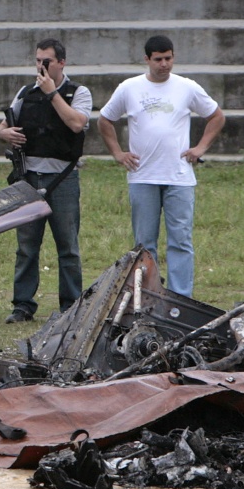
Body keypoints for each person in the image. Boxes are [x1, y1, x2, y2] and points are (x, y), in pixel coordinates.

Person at [98, 35, 225, 297]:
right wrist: (118, 153)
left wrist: (200, 148)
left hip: (179, 176)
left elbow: (215, 115)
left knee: (181, 241)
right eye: (158, 59)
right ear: (147, 60)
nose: (164, 64)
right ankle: (149, 295)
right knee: (145, 244)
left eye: (168, 58)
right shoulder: (129, 88)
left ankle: (181, 296)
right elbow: (105, 119)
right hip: (142, 176)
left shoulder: (187, 87)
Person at [0, 38, 91, 323]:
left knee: (68, 246)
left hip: (62, 178)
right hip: (29, 176)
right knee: (26, 246)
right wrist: (5, 134)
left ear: (61, 62)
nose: (41, 66)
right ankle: (22, 305)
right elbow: (2, 126)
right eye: (38, 61)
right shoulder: (26, 92)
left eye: (46, 61)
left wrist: (52, 94)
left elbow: (76, 123)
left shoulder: (78, 92)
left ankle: (71, 307)